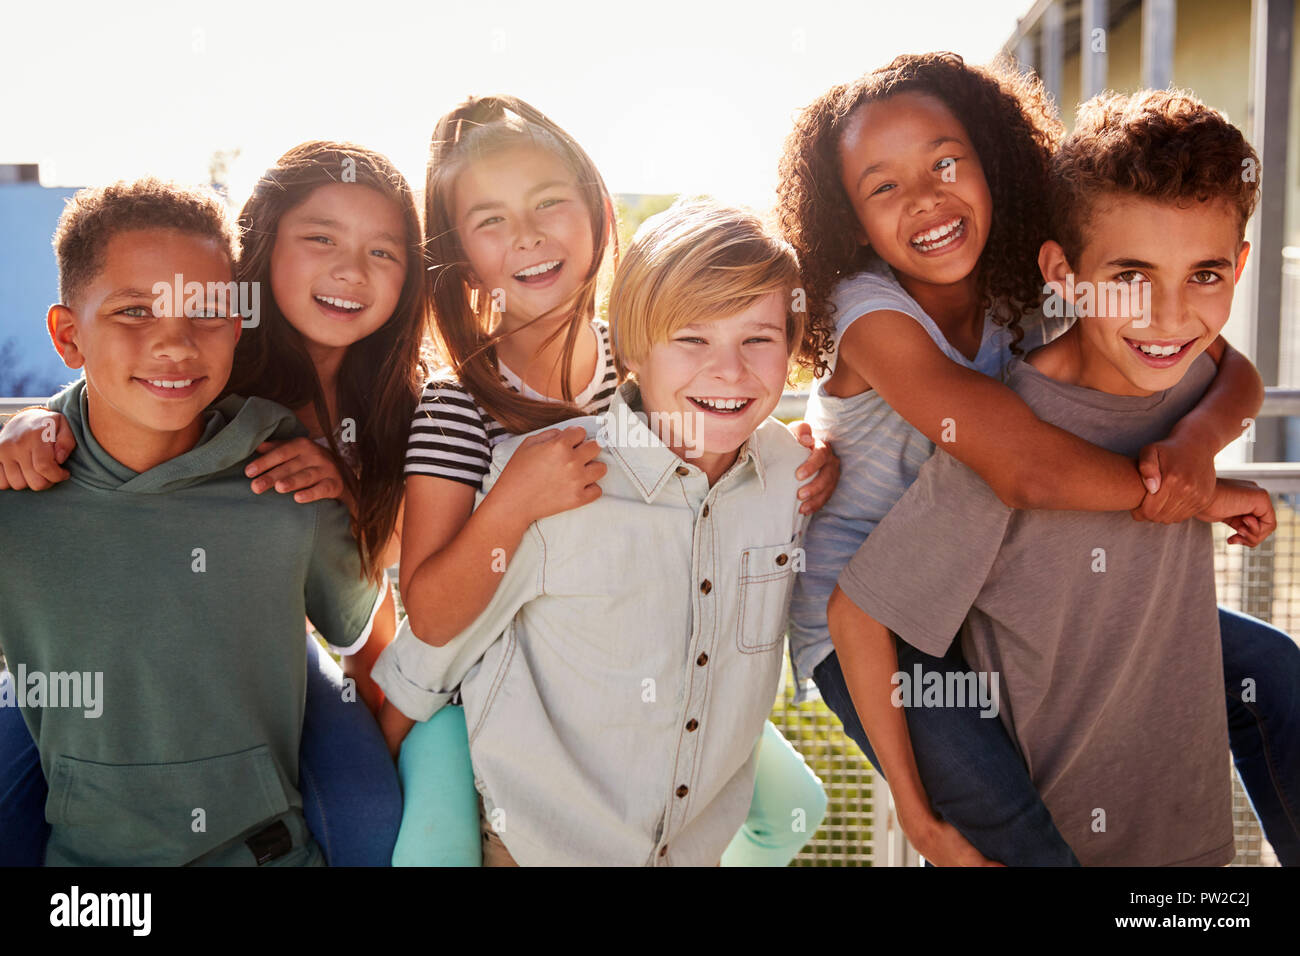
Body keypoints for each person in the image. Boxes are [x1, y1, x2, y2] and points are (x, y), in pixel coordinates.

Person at [777, 52, 1300, 864]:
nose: (925, 197)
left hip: (989, 582)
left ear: (994, 160)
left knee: (1270, 670)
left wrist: (1195, 446)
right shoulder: (866, 309)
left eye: (947, 162)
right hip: (873, 619)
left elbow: (1230, 369)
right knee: (1017, 838)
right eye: (883, 186)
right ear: (850, 220)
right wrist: (1195, 494)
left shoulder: (1030, 284)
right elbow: (1021, 467)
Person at [383, 96, 833, 866]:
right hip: (479, 684)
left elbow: (716, 415)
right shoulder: (459, 405)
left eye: (549, 202)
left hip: (647, 678)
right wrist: (517, 500)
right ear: (460, 257)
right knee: (432, 844)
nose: (527, 234)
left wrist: (794, 457)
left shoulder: (639, 353)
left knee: (793, 806)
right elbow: (432, 616)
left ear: (596, 213)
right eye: (490, 220)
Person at [0, 141, 426, 865]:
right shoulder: (224, 356)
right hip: (82, 668)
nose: (174, 343)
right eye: (320, 237)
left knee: (366, 811)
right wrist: (34, 423)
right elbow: (108, 398)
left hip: (272, 645)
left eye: (383, 251)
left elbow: (377, 620)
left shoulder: (389, 410)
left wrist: (342, 490)